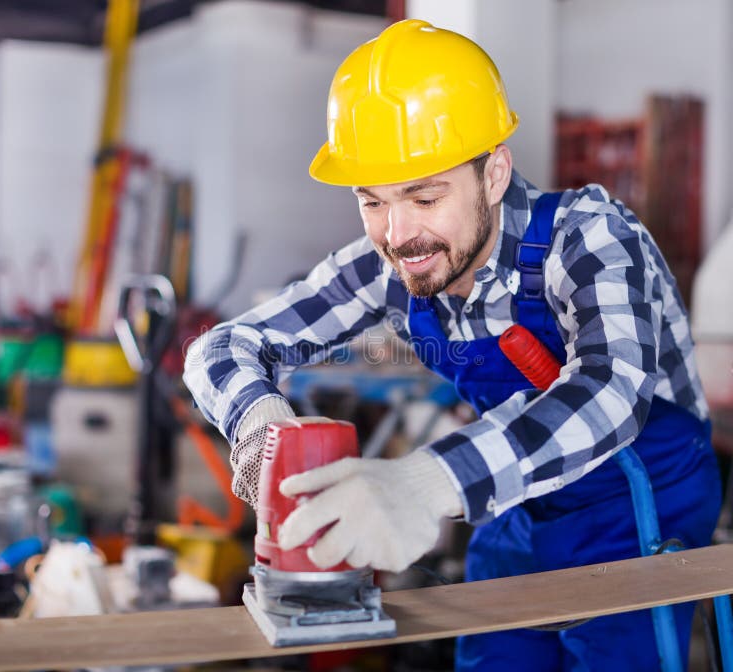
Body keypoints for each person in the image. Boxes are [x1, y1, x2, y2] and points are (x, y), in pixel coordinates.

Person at [184, 18, 721, 671]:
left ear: (494, 174)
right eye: (373, 202)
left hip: (636, 509)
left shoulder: (591, 235)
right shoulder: (389, 266)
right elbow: (221, 348)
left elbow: (610, 393)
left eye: (424, 196)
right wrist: (258, 430)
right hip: (516, 502)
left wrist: (423, 483)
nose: (398, 233)